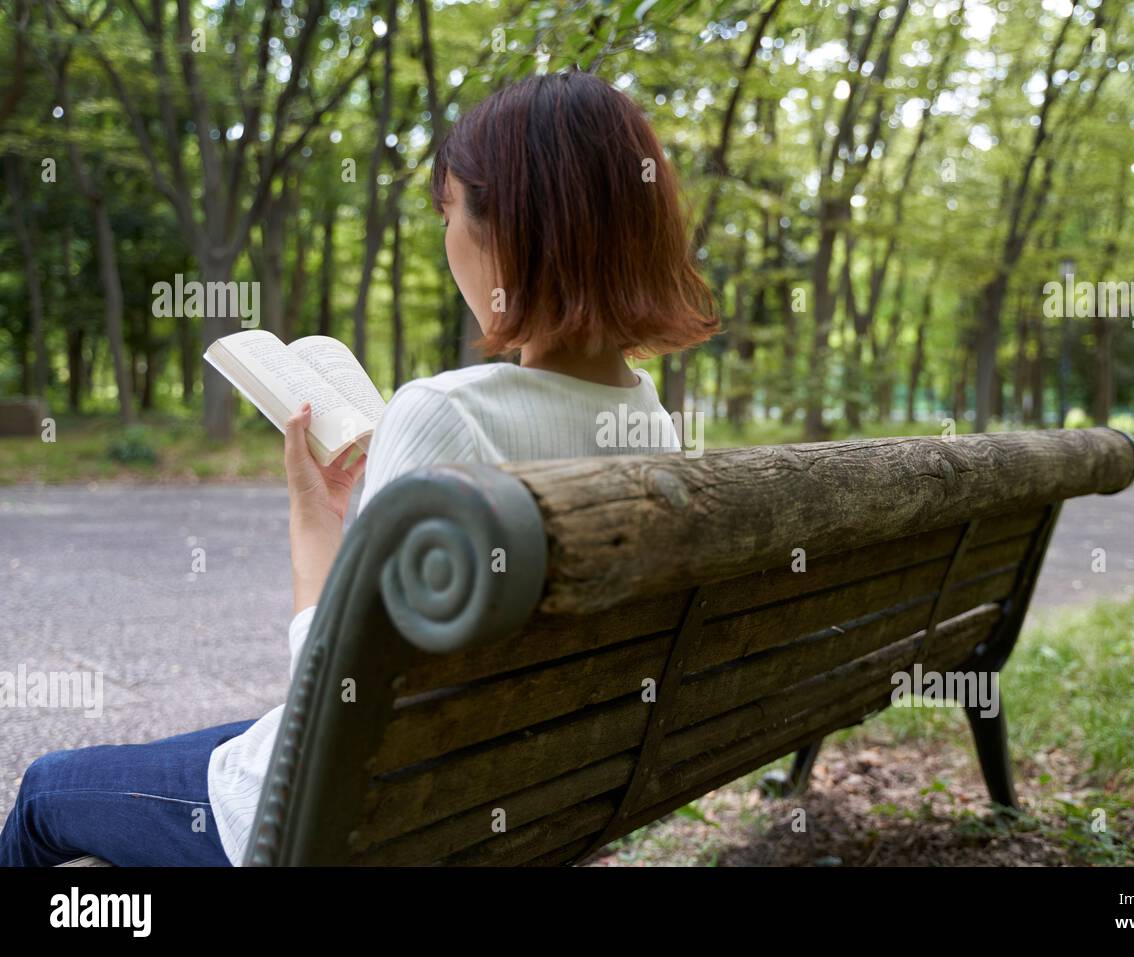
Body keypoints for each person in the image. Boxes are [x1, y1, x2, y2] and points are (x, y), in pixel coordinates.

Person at [1, 70, 717, 866]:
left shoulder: (448, 412)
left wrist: (317, 521)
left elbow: (329, 699)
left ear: (506, 228)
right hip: (522, 798)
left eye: (450, 212)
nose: (449, 241)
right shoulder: (653, 423)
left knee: (43, 792)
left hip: (341, 818)